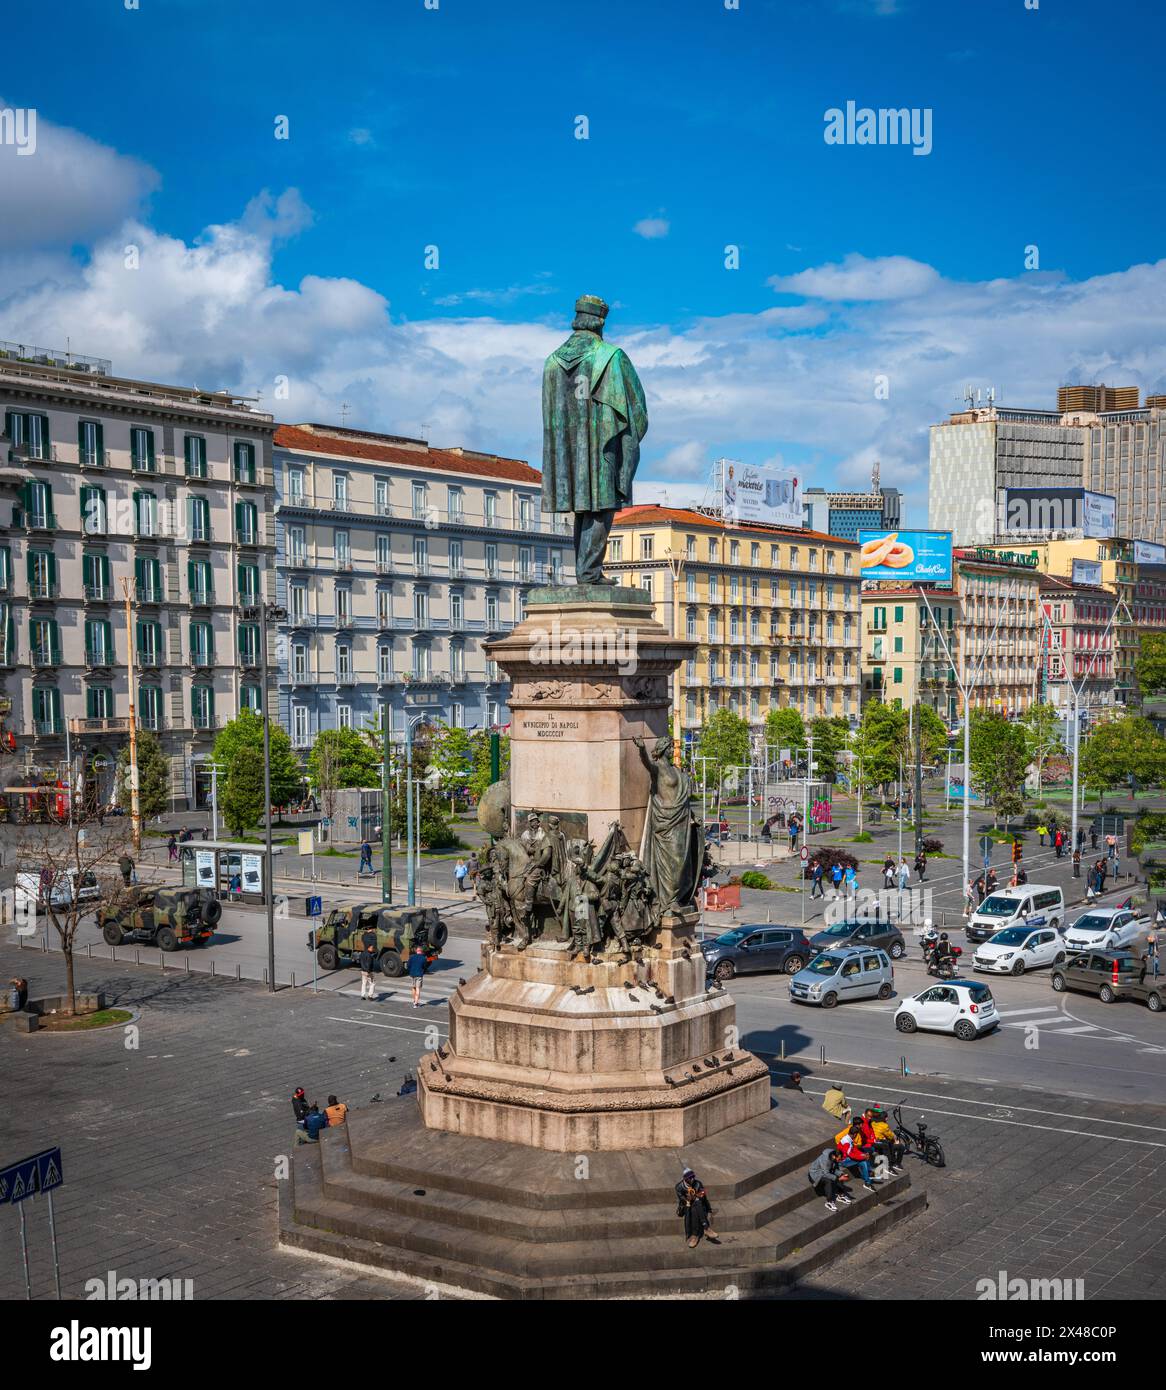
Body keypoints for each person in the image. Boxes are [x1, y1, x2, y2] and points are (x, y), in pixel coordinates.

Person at [675, 1169, 718, 1248]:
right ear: (684, 1178)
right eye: (690, 1177)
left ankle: (694, 1237)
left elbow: (702, 1194)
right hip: (686, 1206)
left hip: (698, 1204)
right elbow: (682, 1199)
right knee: (695, 1205)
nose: (692, 1179)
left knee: (696, 1206)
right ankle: (706, 1228)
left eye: (693, 1176)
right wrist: (688, 1198)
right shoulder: (679, 1187)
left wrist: (695, 1197)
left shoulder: (698, 1183)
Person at [835, 1123, 879, 1190]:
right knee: (863, 1161)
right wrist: (862, 1157)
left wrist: (862, 1154)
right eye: (857, 1134)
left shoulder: (849, 1139)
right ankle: (869, 1175)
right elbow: (851, 1155)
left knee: (863, 1160)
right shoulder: (846, 1141)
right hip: (843, 1161)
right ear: (855, 1134)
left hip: (848, 1158)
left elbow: (854, 1150)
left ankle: (868, 1179)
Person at [807, 1147, 852, 1213]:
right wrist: (838, 1178)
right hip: (815, 1175)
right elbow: (826, 1174)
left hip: (824, 1172)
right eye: (839, 1159)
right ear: (834, 1156)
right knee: (829, 1181)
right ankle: (829, 1202)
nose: (839, 1160)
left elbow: (834, 1170)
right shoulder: (825, 1160)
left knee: (838, 1176)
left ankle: (840, 1194)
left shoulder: (834, 1158)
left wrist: (841, 1174)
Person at [868, 1108, 906, 1175]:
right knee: (900, 1147)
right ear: (884, 1118)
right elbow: (890, 1136)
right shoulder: (884, 1126)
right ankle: (895, 1164)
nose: (887, 1118)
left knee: (890, 1145)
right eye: (886, 1117)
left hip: (875, 1142)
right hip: (881, 1144)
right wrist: (896, 1140)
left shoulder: (873, 1122)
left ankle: (892, 1163)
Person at [359, 924, 378, 1000]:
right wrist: (369, 972)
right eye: (372, 947)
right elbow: (369, 964)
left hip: (362, 970)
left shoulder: (362, 953)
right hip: (367, 971)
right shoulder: (369, 955)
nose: (372, 948)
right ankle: (370, 996)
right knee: (372, 983)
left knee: (364, 983)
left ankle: (362, 995)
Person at [408, 943, 428, 1008]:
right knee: (418, 988)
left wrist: (410, 971)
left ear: (417, 951)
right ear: (421, 951)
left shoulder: (412, 957)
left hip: (412, 974)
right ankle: (416, 1004)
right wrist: (423, 971)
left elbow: (408, 965)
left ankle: (414, 1001)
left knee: (413, 988)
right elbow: (425, 967)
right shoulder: (423, 958)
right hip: (419, 975)